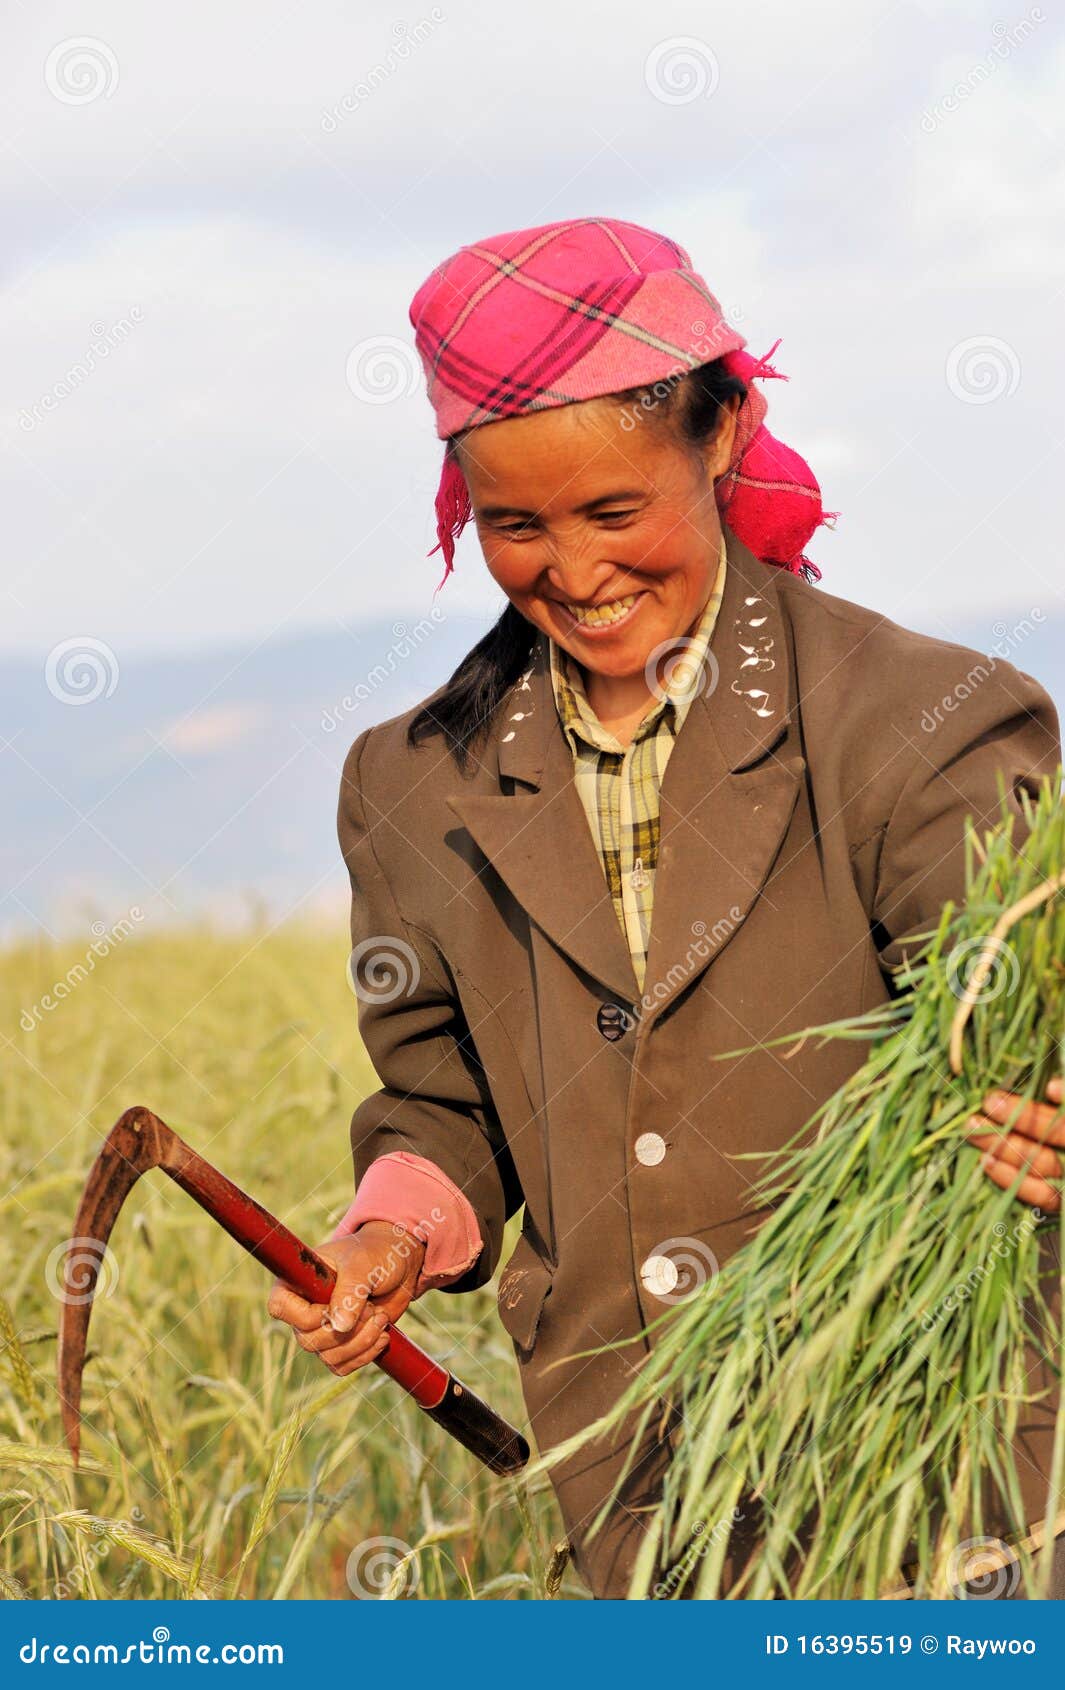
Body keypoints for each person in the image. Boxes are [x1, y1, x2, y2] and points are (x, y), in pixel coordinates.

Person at [268, 217, 1064, 1599]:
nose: (571, 572)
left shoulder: (913, 722)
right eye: (515, 525)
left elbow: (1012, 1027)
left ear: (720, 436)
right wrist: (393, 1230)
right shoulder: (410, 782)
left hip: (932, 1473)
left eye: (611, 512)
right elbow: (443, 1098)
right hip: (640, 1488)